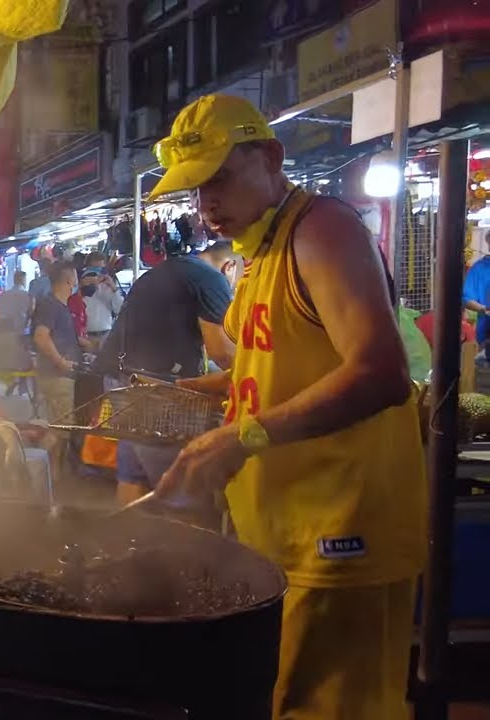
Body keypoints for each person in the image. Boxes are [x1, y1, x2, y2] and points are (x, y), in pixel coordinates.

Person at [150, 94, 424, 720]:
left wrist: (241, 439)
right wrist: (176, 398)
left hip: (339, 535)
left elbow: (381, 372)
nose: (206, 203)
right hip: (282, 535)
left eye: (218, 177)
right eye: (196, 188)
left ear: (271, 157)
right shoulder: (256, 258)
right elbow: (264, 375)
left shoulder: (321, 228)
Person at [94, 240, 239, 515]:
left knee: (132, 474)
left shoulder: (165, 270)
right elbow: (223, 353)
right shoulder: (212, 279)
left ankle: (128, 545)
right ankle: (181, 554)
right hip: (156, 392)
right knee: (181, 489)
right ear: (230, 266)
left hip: (122, 383)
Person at [32, 260, 82, 425]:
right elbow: (41, 337)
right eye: (76, 277)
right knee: (62, 431)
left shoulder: (60, 305)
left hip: (59, 376)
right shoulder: (51, 305)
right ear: (69, 280)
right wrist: (60, 362)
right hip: (57, 377)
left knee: (59, 428)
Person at [79, 266, 123, 344]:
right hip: (86, 336)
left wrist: (114, 288)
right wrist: (81, 286)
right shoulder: (81, 288)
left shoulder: (107, 287)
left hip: (106, 334)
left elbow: (120, 310)